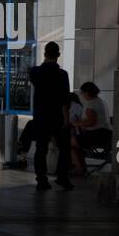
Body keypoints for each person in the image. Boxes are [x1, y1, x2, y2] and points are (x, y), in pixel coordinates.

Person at [27, 41, 73, 191]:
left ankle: (42, 179)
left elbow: (37, 74)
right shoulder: (62, 75)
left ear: (45, 54)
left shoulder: (35, 72)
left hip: (40, 116)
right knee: (65, 148)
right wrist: (66, 118)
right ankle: (62, 177)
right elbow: (65, 100)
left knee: (41, 149)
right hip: (57, 117)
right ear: (58, 55)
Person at [71, 81, 113, 172]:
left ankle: (79, 168)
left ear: (86, 92)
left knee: (68, 143)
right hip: (105, 134)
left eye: (82, 93)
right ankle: (82, 167)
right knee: (76, 143)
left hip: (97, 135)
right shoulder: (101, 101)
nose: (82, 95)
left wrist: (76, 124)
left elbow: (90, 122)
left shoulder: (92, 104)